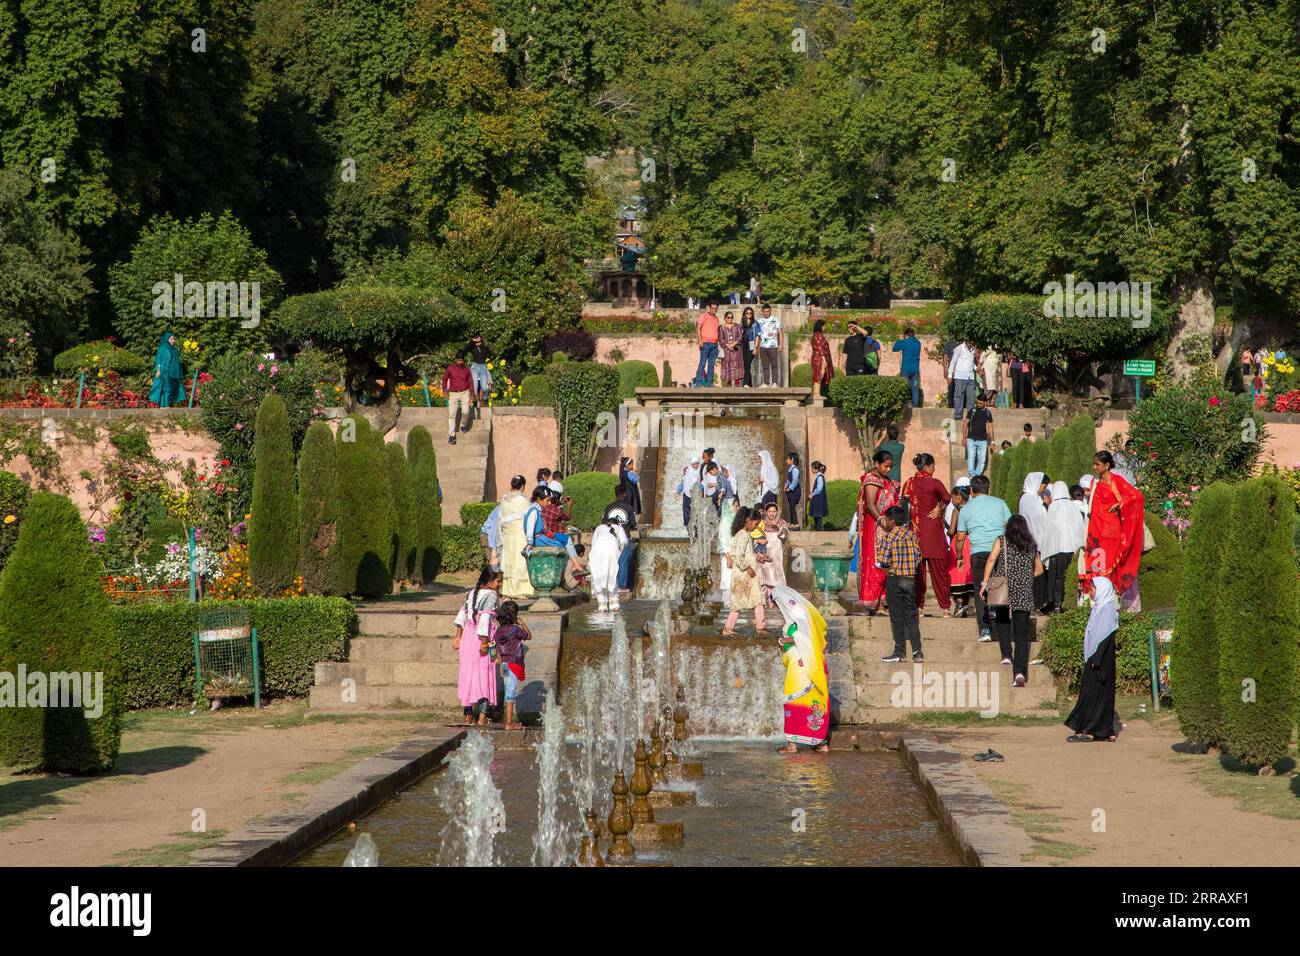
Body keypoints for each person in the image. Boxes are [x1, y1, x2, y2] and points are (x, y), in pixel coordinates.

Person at [979, 514, 1044, 686]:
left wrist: (985, 583)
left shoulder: (1001, 540)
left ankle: (1006, 654)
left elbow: (992, 559)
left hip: (1003, 585)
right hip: (1023, 590)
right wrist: (1024, 576)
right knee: (1021, 632)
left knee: (1002, 619)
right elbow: (1039, 569)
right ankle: (1020, 673)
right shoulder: (1031, 545)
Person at [953, 473, 1011, 642]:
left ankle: (985, 630)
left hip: (978, 554)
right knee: (999, 589)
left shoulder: (966, 509)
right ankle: (1002, 630)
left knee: (981, 591)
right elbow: (1009, 525)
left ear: (971, 491)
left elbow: (960, 537)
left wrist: (958, 556)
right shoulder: (1000, 503)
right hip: (999, 551)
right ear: (988, 488)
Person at [773, 585, 830, 754]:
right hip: (801, 665)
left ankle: (795, 745)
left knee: (795, 701)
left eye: (776, 603)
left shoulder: (799, 615)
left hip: (803, 667)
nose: (776, 607)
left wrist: (784, 641)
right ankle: (819, 743)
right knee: (808, 701)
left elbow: (803, 636)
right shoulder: (795, 616)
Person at [1065, 576, 1120, 742]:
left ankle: (1088, 729)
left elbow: (1106, 637)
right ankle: (1103, 730)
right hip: (1096, 658)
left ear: (1102, 589)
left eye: (1093, 588)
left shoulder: (1107, 610)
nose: (1091, 591)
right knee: (1097, 693)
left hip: (1100, 661)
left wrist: (1096, 659)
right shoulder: (1099, 608)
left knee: (1093, 693)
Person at [1085, 450, 1145, 603]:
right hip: (1098, 532)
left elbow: (1136, 497)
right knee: (1099, 568)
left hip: (1114, 533)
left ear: (1106, 465)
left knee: (1115, 567)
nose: (1095, 467)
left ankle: (1119, 600)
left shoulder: (1116, 481)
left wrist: (1120, 504)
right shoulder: (1094, 484)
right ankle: (1100, 601)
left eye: (1097, 464)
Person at [903, 453, 952, 616]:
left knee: (919, 573)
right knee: (939, 572)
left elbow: (904, 503)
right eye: (933, 466)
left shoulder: (909, 483)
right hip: (933, 532)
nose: (934, 469)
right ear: (926, 467)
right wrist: (939, 508)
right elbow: (947, 497)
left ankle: (919, 607)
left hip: (916, 533)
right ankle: (945, 608)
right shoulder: (934, 483)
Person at [453, 567, 501, 725]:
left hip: (468, 637)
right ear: (489, 581)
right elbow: (485, 620)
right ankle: (482, 717)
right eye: (498, 581)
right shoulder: (491, 595)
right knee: (484, 674)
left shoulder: (470, 593)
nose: (499, 584)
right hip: (483, 638)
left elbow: (462, 615)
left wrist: (458, 636)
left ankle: (468, 715)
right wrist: (485, 643)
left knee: (467, 674)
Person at [876, 506, 924, 663]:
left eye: (887, 520)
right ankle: (917, 652)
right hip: (910, 579)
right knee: (911, 616)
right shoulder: (912, 536)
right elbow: (918, 557)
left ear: (891, 521)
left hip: (895, 579)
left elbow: (883, 560)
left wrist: (886, 564)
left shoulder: (889, 537)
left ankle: (899, 651)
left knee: (896, 616)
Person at [856, 449, 900, 613]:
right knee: (875, 562)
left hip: (888, 527)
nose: (888, 469)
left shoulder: (887, 480)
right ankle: (875, 603)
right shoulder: (872, 480)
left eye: (890, 466)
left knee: (888, 562)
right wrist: (882, 521)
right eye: (885, 466)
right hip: (875, 526)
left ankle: (885, 601)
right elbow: (870, 505)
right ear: (877, 464)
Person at [1042, 481, 1086, 613]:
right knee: (1071, 576)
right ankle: (1072, 602)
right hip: (1074, 548)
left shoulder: (1054, 507)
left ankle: (1057, 604)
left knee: (1059, 577)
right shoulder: (1073, 506)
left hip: (1058, 549)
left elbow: (1049, 529)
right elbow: (1080, 528)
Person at [722, 508, 768, 636]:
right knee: (740, 602)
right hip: (744, 575)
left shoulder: (741, 534)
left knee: (756, 599)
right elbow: (737, 555)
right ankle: (728, 628)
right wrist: (748, 568)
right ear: (748, 520)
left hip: (745, 574)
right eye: (755, 523)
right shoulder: (743, 535)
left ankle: (760, 626)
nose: (756, 526)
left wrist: (755, 557)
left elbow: (738, 553)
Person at [493, 600, 530, 729]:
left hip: (504, 664)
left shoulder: (498, 631)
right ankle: (509, 723)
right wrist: (522, 623)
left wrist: (500, 664)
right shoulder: (516, 630)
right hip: (514, 663)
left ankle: (507, 721)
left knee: (508, 690)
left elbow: (497, 649)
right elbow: (529, 636)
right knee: (511, 692)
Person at [1018, 470, 1051, 609]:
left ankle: (1039, 603)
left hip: (1035, 541)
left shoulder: (1032, 498)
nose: (1043, 490)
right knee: (1037, 573)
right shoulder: (1029, 499)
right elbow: (1038, 518)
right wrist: (1045, 505)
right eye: (1043, 486)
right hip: (1033, 542)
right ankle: (1036, 604)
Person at [498, 476, 533, 599]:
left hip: (508, 535)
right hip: (520, 534)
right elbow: (530, 518)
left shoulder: (504, 500)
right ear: (523, 486)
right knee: (519, 560)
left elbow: (501, 519)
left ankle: (508, 590)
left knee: (509, 560)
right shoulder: (524, 501)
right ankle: (520, 590)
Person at [603, 483, 639, 590]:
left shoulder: (609, 507)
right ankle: (622, 586)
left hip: (610, 538)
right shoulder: (628, 508)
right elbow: (633, 524)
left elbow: (603, 522)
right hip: (624, 538)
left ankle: (609, 584)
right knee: (623, 562)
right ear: (624, 494)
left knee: (610, 561)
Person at [589, 514, 628, 612]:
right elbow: (624, 542)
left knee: (598, 574)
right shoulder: (619, 528)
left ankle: (602, 606)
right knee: (612, 574)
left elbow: (593, 543)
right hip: (611, 550)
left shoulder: (599, 528)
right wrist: (619, 552)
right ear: (617, 523)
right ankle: (614, 605)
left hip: (597, 551)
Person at [946, 485, 974, 617]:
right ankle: (969, 604)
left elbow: (952, 531)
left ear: (960, 497)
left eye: (954, 496)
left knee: (957, 574)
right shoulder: (972, 510)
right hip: (971, 542)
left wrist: (945, 528)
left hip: (959, 542)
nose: (952, 499)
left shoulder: (956, 511)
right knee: (969, 574)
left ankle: (959, 604)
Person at [758, 500, 791, 603]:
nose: (772, 513)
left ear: (777, 512)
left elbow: (785, 537)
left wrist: (778, 527)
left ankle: (778, 599)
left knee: (777, 572)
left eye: (774, 511)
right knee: (766, 573)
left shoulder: (782, 523)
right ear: (766, 512)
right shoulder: (762, 523)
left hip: (776, 551)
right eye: (769, 511)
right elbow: (757, 537)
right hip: (766, 551)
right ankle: (765, 599)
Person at [441, 354, 474, 445]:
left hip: (465, 392)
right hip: (453, 393)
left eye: (461, 361)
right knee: (452, 414)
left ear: (464, 361)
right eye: (458, 360)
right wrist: (444, 389)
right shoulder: (450, 368)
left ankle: (463, 425)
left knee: (466, 411)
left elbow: (471, 381)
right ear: (455, 360)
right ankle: (452, 436)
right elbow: (445, 379)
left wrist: (472, 393)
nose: (460, 362)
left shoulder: (467, 370)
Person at [148, 332, 186, 407]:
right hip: (164, 371)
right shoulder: (162, 348)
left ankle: (163, 406)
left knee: (171, 387)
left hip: (173, 371)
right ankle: (166, 406)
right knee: (166, 387)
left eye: (173, 339)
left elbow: (176, 361)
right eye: (171, 339)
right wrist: (158, 370)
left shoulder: (174, 349)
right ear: (167, 339)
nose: (173, 341)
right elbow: (159, 360)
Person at [963, 393, 994, 477]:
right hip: (971, 439)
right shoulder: (972, 410)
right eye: (977, 402)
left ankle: (976, 476)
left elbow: (990, 427)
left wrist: (992, 441)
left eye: (980, 403)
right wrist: (964, 437)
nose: (978, 404)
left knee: (982, 460)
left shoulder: (988, 413)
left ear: (985, 403)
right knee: (971, 457)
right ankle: (972, 475)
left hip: (983, 440)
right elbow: (965, 423)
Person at [461, 333, 494, 410]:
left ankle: (484, 398)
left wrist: (489, 360)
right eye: (476, 342)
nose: (477, 343)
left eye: (478, 342)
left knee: (484, 388)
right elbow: (464, 350)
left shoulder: (485, 348)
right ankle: (474, 401)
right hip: (475, 367)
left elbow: (493, 354)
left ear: (482, 341)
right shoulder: (472, 347)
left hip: (482, 367)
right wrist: (471, 341)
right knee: (475, 388)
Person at [947, 339, 977, 422]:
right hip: (960, 376)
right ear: (966, 341)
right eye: (970, 343)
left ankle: (970, 416)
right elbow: (953, 362)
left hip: (970, 377)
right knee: (959, 396)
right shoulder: (959, 348)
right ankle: (958, 416)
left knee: (971, 397)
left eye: (972, 343)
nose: (971, 345)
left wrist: (977, 368)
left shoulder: (973, 349)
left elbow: (971, 362)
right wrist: (950, 375)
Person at [893, 326, 923, 406]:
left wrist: (900, 340)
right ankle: (915, 406)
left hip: (905, 369)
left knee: (904, 388)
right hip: (915, 369)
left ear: (906, 335)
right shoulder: (918, 343)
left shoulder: (904, 342)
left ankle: (904, 406)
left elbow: (894, 348)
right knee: (915, 388)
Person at [694, 301, 721, 386]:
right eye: (712, 308)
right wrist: (700, 341)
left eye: (715, 308)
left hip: (714, 345)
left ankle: (710, 383)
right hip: (705, 343)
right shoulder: (703, 316)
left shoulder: (716, 318)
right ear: (709, 308)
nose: (714, 310)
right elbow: (698, 328)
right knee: (702, 363)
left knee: (711, 365)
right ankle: (698, 383)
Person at [757, 304, 782, 386]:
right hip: (763, 346)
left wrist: (780, 344)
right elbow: (757, 335)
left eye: (768, 311)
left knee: (774, 365)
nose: (766, 313)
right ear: (762, 312)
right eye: (764, 311)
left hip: (773, 346)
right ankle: (766, 383)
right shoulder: (759, 321)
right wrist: (756, 347)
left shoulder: (775, 319)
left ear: (770, 311)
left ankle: (775, 383)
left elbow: (780, 332)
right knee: (765, 366)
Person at [717, 310, 744, 386]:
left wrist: (734, 344)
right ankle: (729, 383)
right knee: (727, 366)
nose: (730, 319)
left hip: (736, 350)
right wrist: (728, 345)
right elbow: (720, 338)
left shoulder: (737, 326)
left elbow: (740, 336)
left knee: (736, 366)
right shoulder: (721, 327)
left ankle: (736, 383)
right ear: (725, 318)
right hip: (726, 351)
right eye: (728, 317)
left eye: (731, 317)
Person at [810, 319, 834, 397]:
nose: (825, 327)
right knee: (819, 374)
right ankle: (817, 394)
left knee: (816, 375)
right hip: (819, 358)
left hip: (815, 357)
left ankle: (815, 393)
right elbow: (820, 348)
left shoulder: (814, 335)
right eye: (824, 325)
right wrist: (824, 360)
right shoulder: (819, 335)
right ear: (820, 326)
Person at [678, 456, 701, 525]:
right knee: (686, 510)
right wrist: (679, 490)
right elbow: (683, 481)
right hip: (687, 493)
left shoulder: (700, 471)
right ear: (691, 464)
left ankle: (696, 524)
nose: (695, 465)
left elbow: (701, 482)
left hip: (696, 494)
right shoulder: (687, 471)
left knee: (695, 510)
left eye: (697, 464)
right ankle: (687, 524)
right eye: (694, 464)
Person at [739, 307, 758, 387]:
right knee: (746, 365)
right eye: (747, 313)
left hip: (751, 345)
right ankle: (749, 384)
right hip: (743, 345)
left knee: (747, 364)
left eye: (750, 313)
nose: (749, 315)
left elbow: (757, 335)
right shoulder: (741, 323)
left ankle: (746, 383)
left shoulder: (755, 323)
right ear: (744, 314)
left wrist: (755, 347)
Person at [808, 461, 828, 530]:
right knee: (816, 516)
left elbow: (819, 489)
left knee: (818, 516)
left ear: (816, 469)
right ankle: (818, 530)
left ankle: (819, 532)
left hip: (818, 500)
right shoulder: (818, 476)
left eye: (812, 468)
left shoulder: (820, 477)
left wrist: (812, 494)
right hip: (817, 499)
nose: (811, 469)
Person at [784, 452, 802, 526]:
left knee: (792, 506)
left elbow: (795, 481)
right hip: (790, 491)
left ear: (792, 459)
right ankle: (792, 523)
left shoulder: (795, 469)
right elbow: (789, 480)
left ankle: (795, 523)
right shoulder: (790, 469)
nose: (786, 460)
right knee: (791, 507)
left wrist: (790, 488)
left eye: (788, 459)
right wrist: (786, 485)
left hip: (795, 491)